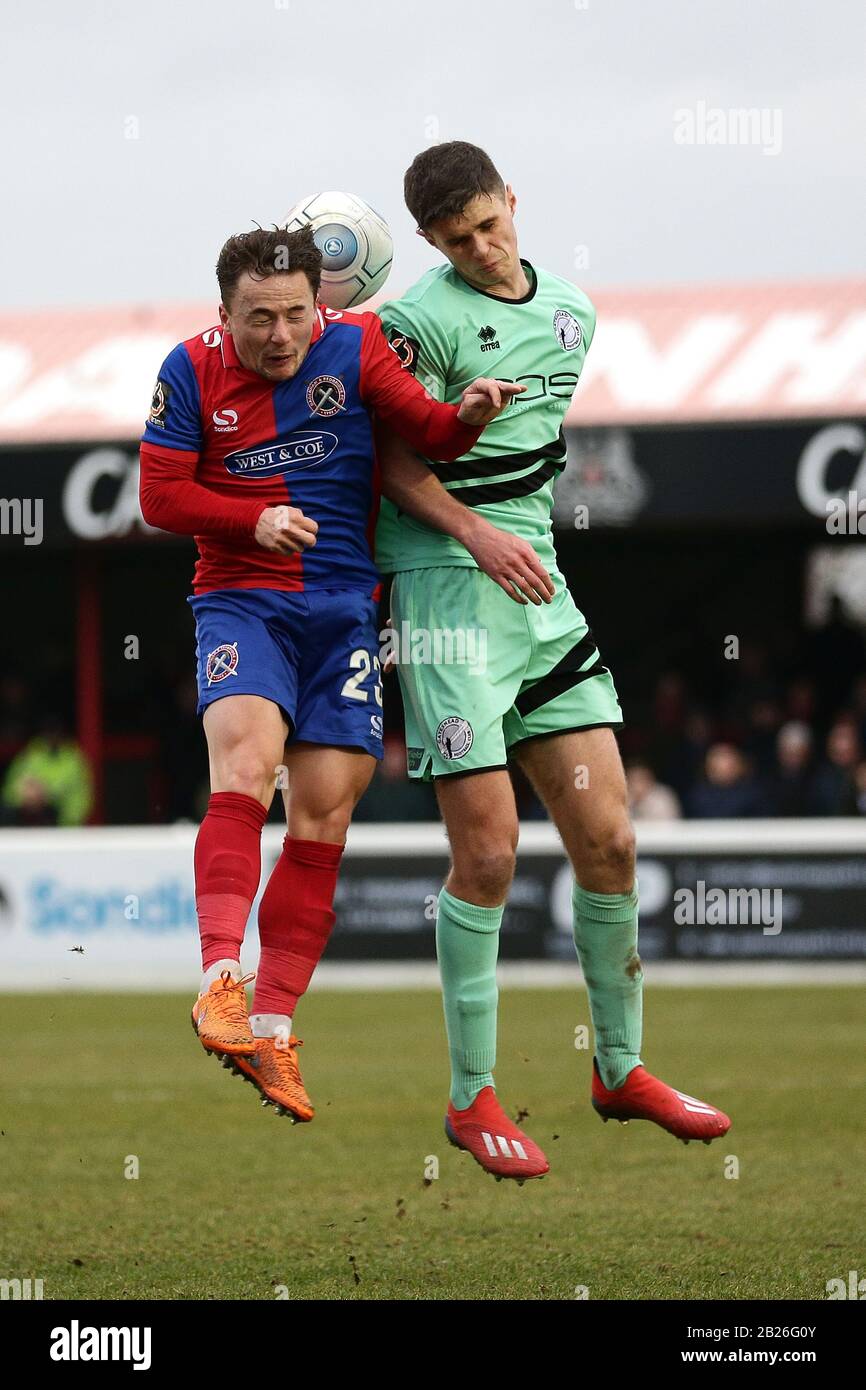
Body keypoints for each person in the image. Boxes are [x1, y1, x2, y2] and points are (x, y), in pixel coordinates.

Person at [375, 142, 730, 1180]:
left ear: (512, 201)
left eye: (489, 226)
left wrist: (509, 538)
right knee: (486, 856)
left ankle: (618, 1068)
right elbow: (393, 463)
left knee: (610, 841)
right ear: (431, 246)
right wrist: (475, 534)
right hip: (446, 598)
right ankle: (469, 1096)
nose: (480, 251)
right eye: (454, 241)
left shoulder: (573, 309)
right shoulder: (416, 321)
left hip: (538, 596)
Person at [139, 224, 543, 1121]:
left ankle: (274, 1032)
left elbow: (430, 432)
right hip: (242, 599)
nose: (280, 335)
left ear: (320, 305)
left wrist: (469, 412)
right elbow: (159, 495)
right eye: (259, 320)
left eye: (295, 315)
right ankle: (221, 981)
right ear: (224, 314)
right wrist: (253, 521)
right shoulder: (188, 369)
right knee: (246, 769)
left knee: (323, 815)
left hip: (345, 613)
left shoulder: (356, 344)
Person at [1, 715, 93, 827]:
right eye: (49, 731)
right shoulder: (31, 754)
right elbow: (10, 792)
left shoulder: (74, 759)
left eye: (56, 731)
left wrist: (46, 797)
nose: (52, 736)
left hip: (59, 823)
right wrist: (27, 798)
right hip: (26, 822)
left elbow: (80, 798)